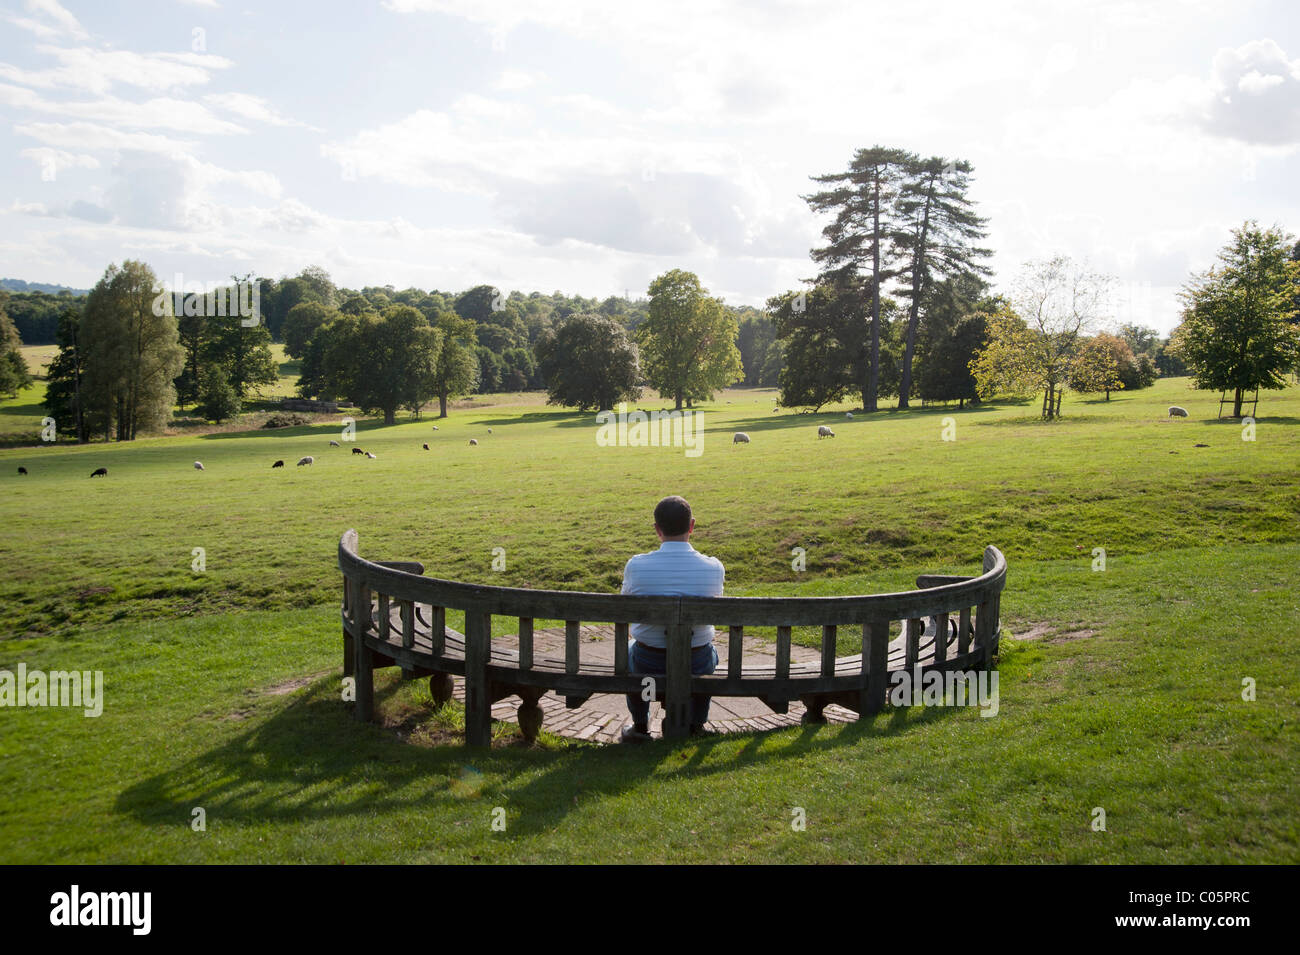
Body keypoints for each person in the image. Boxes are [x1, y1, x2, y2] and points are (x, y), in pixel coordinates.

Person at [619, 495, 723, 742]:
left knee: (631, 652)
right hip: (695, 663)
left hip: (648, 663)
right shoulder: (714, 568)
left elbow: (624, 607)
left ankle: (641, 725)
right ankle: (696, 724)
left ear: (657, 529)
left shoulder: (636, 566)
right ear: (692, 526)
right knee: (710, 654)